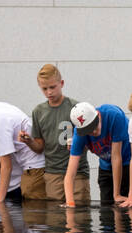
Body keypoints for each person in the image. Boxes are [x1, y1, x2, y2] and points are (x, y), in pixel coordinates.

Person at [22, 64, 89, 203]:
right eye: (44, 89)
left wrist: (79, 144)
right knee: (55, 218)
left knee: (80, 216)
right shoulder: (38, 111)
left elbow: (89, 141)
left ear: (61, 83)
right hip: (53, 172)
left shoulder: (76, 107)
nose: (49, 92)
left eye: (52, 87)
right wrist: (29, 141)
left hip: (77, 172)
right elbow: (40, 147)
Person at [65, 100, 131, 205]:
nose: (94, 132)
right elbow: (70, 173)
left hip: (128, 157)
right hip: (106, 162)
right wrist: (70, 202)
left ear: (98, 116)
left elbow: (116, 157)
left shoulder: (114, 116)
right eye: (89, 131)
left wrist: (117, 194)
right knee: (106, 203)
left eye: (94, 126)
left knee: (123, 201)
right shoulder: (79, 136)